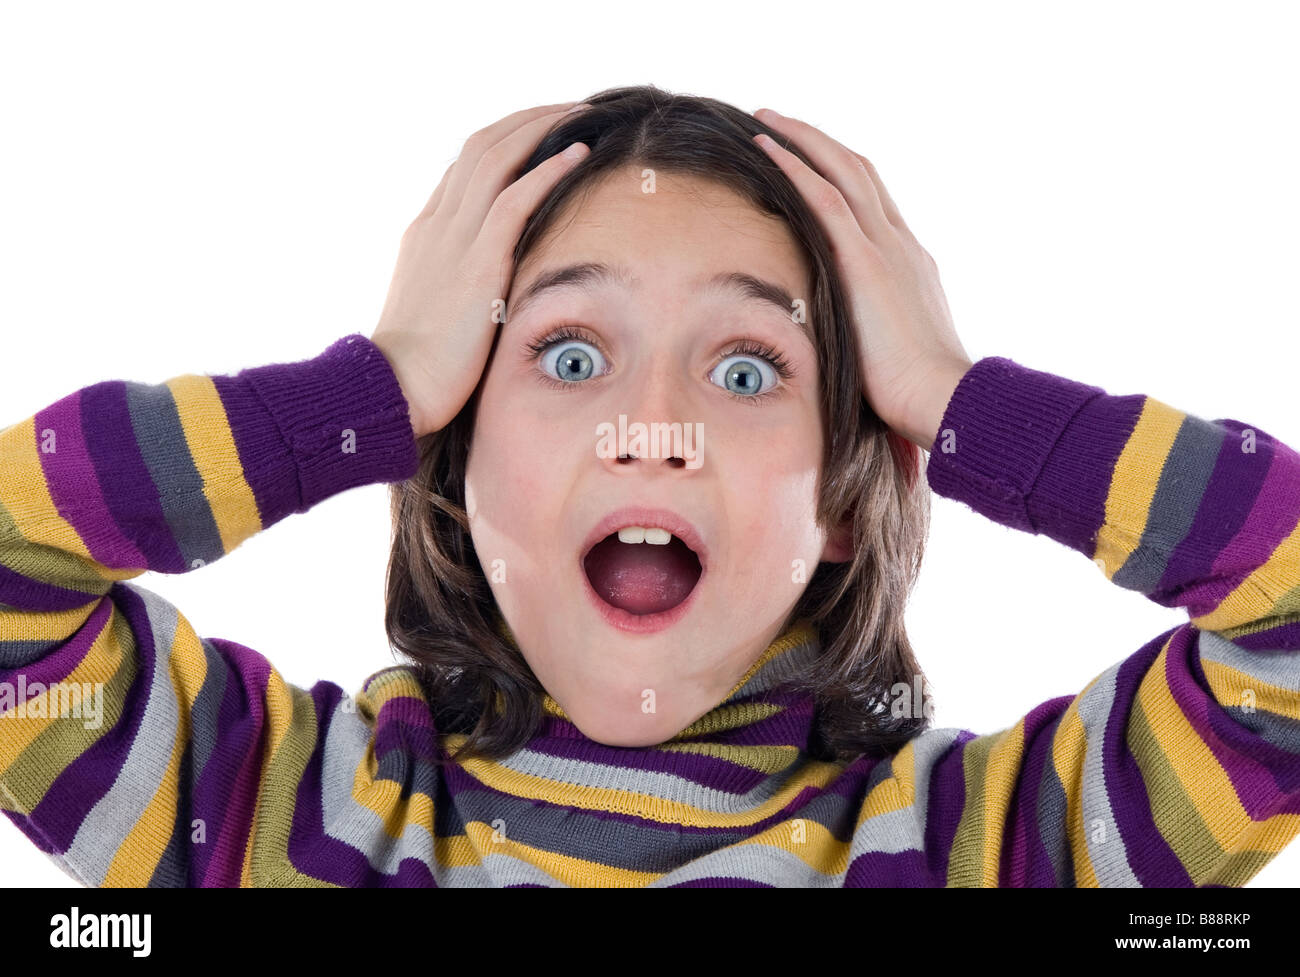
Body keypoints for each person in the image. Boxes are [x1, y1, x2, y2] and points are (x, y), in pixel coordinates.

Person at [1, 85, 1296, 887]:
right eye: (571, 354)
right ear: (455, 468)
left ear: (846, 497)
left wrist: (960, 403)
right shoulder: (273, 813)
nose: (656, 426)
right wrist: (366, 396)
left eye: (746, 371)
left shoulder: (989, 844)